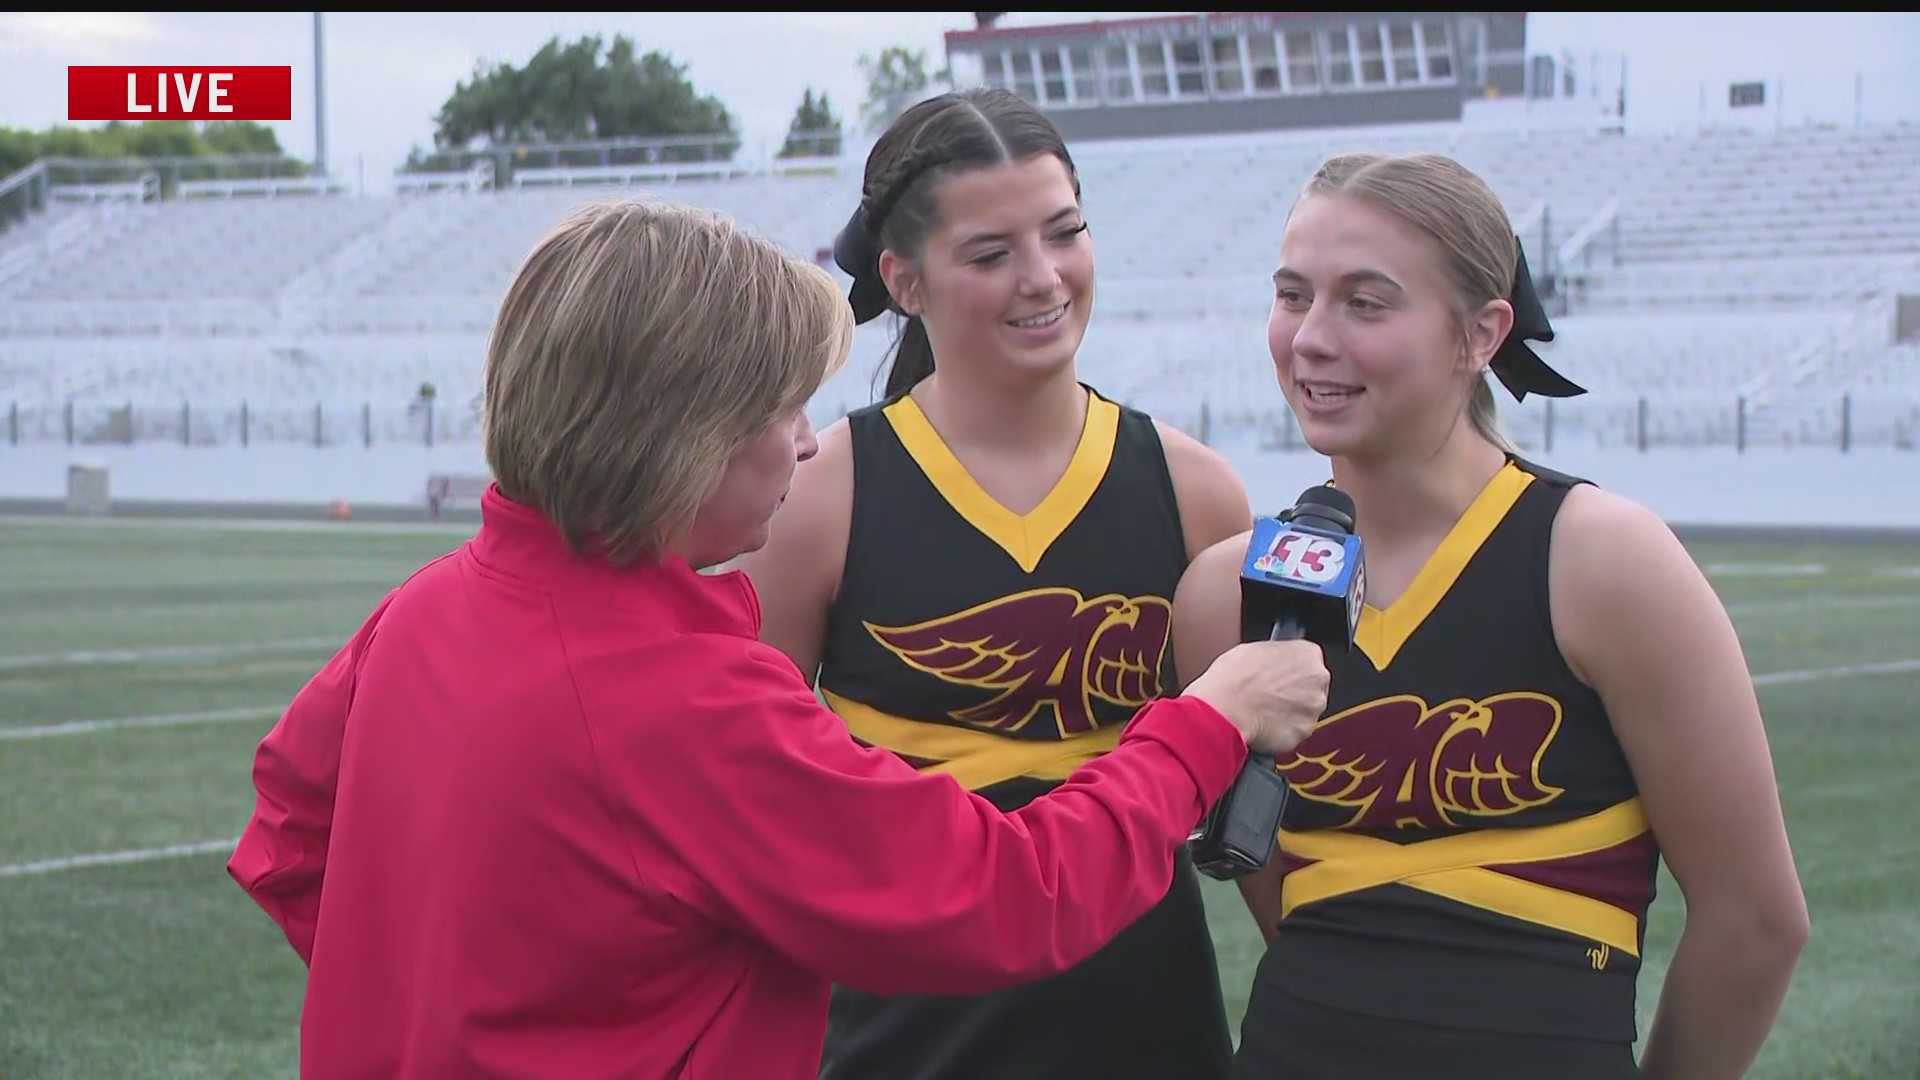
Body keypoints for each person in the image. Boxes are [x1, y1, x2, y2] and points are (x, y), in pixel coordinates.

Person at [224, 197, 1332, 1080]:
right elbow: (1009, 893)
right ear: (681, 437)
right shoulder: (678, 698)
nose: (810, 445)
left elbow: (285, 835)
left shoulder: (426, 605)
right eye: (786, 409)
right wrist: (1211, 720)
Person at [1170, 150, 1811, 1080]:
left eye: (1366, 301)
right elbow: (1284, 908)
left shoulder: (1601, 561)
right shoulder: (1222, 593)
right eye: (1292, 294)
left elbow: (1756, 921)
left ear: (1481, 333)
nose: (1310, 337)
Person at [732, 88, 1256, 1080]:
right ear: (904, 280)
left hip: (1153, 1034)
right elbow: (752, 810)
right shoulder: (824, 497)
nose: (1043, 278)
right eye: (990, 254)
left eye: (1065, 234)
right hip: (899, 1045)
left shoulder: (1196, 494)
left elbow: (1262, 814)